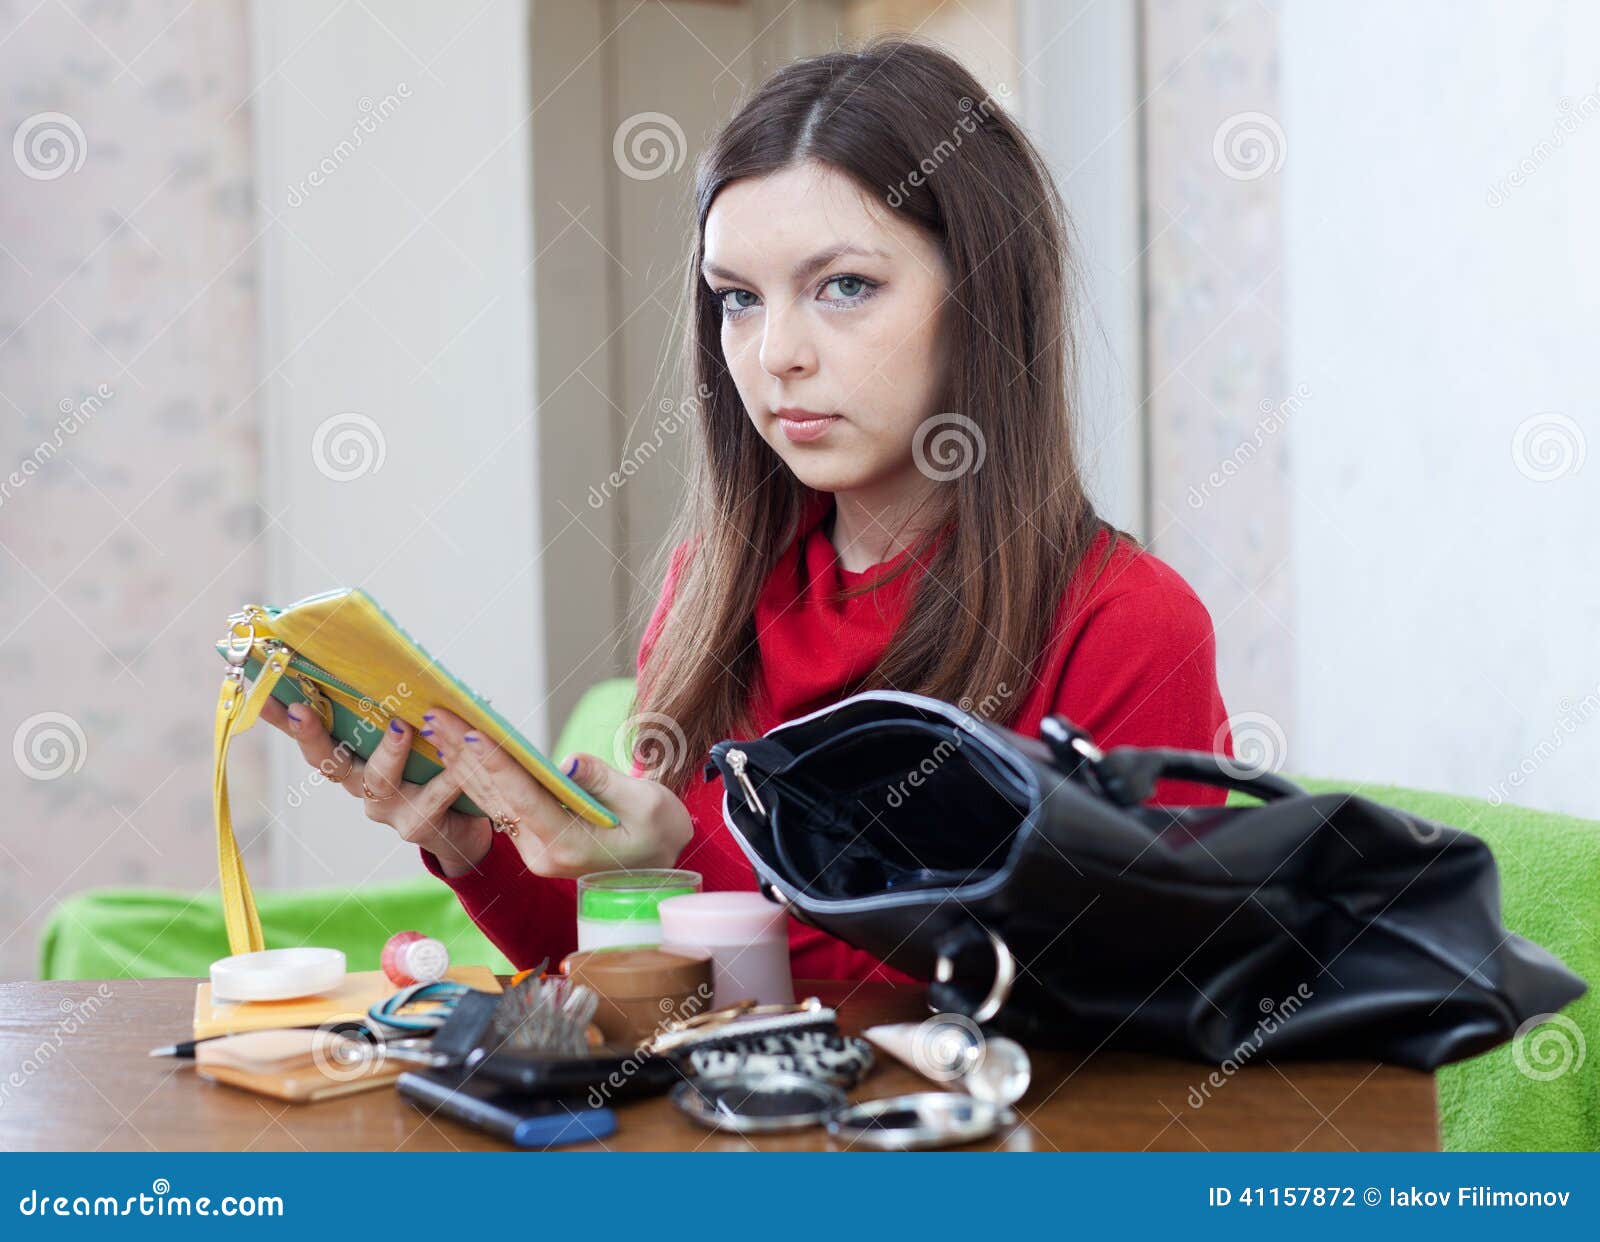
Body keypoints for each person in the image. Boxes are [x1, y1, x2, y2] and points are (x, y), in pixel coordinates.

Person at [261, 37, 1232, 983]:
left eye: (843, 287)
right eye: (737, 299)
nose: (775, 355)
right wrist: (476, 847)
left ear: (985, 294)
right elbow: (657, 984)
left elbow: (1112, 1005)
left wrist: (682, 860)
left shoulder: (1129, 624)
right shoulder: (711, 586)